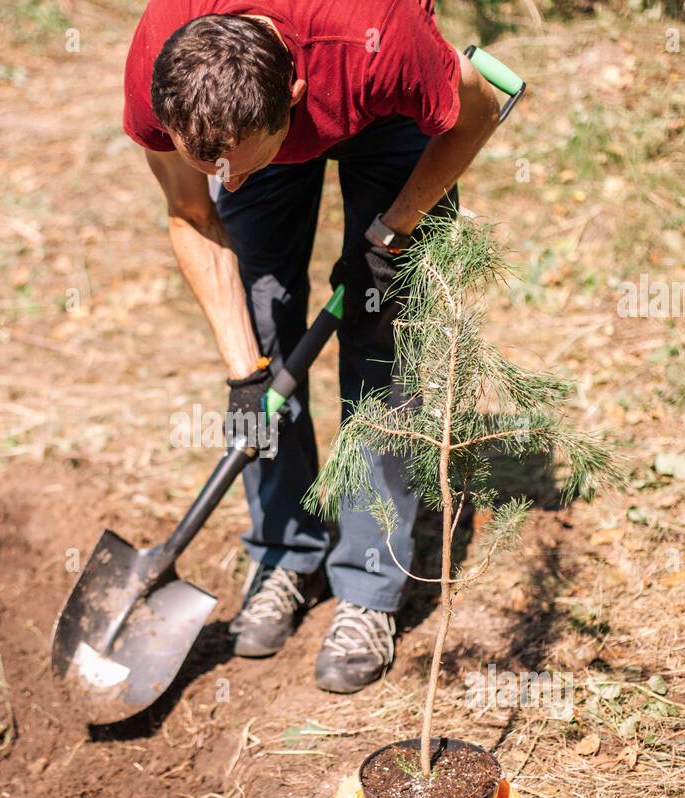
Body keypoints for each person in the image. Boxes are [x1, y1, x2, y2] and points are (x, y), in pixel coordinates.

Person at [123, 1, 500, 692]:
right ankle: (284, 555)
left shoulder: (382, 40)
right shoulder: (161, 63)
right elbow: (192, 211)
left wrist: (394, 231)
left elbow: (475, 113)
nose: (226, 181)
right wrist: (244, 372)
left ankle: (368, 587)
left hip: (376, 112)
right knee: (261, 325)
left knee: (383, 338)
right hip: (266, 118)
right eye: (210, 162)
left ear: (294, 97)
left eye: (235, 165)